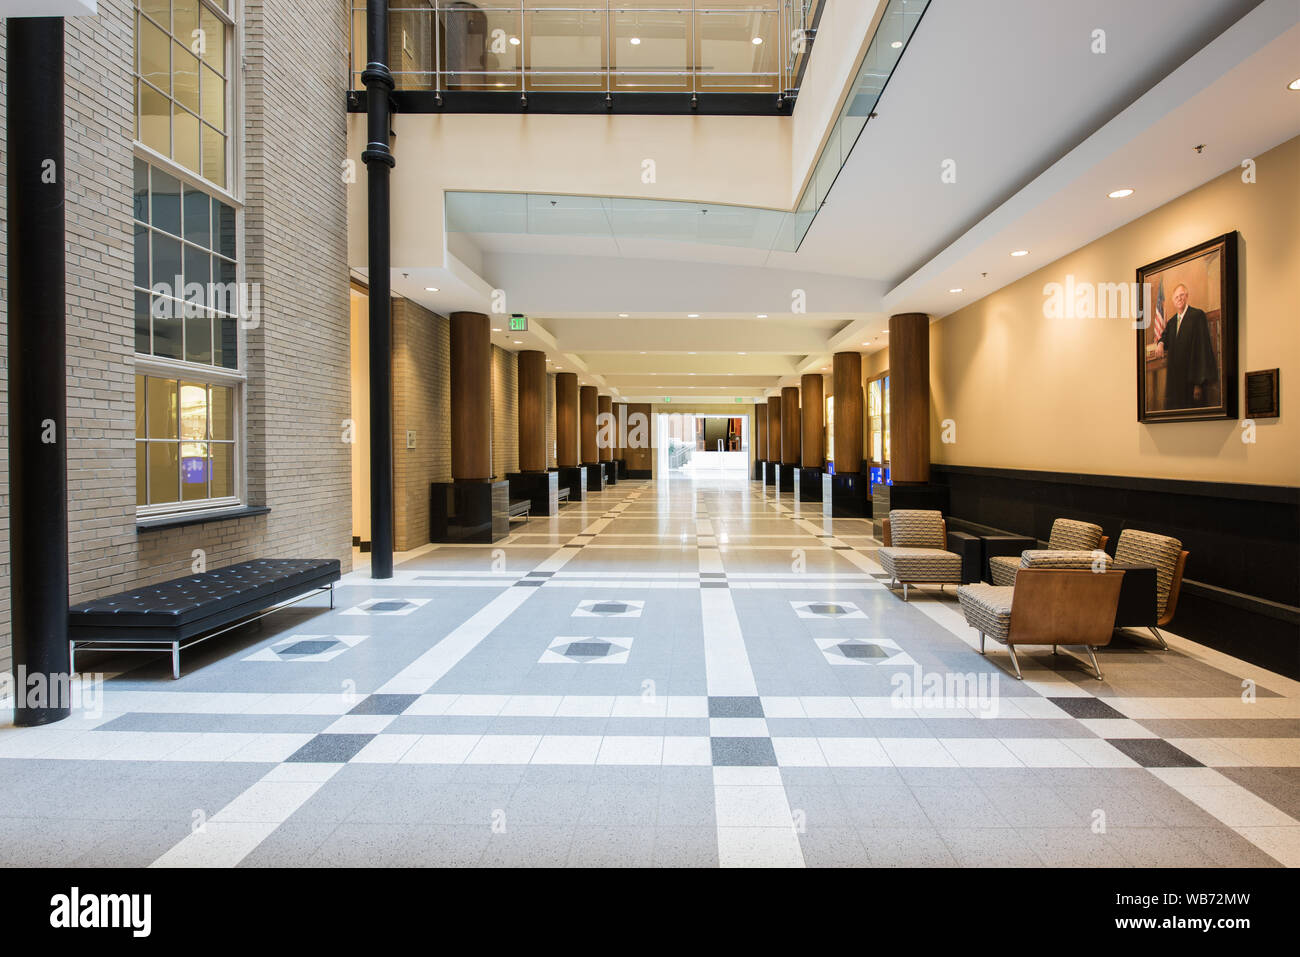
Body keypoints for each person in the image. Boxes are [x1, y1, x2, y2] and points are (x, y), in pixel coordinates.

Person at [1156, 283, 1218, 408]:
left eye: (1182, 295)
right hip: (1176, 381)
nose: (1179, 298)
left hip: (1192, 379)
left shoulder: (1197, 316)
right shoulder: (1172, 322)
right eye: (1176, 297)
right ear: (1173, 301)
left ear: (1187, 296)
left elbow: (1202, 350)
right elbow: (1165, 337)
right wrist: (1161, 343)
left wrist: (1198, 383)